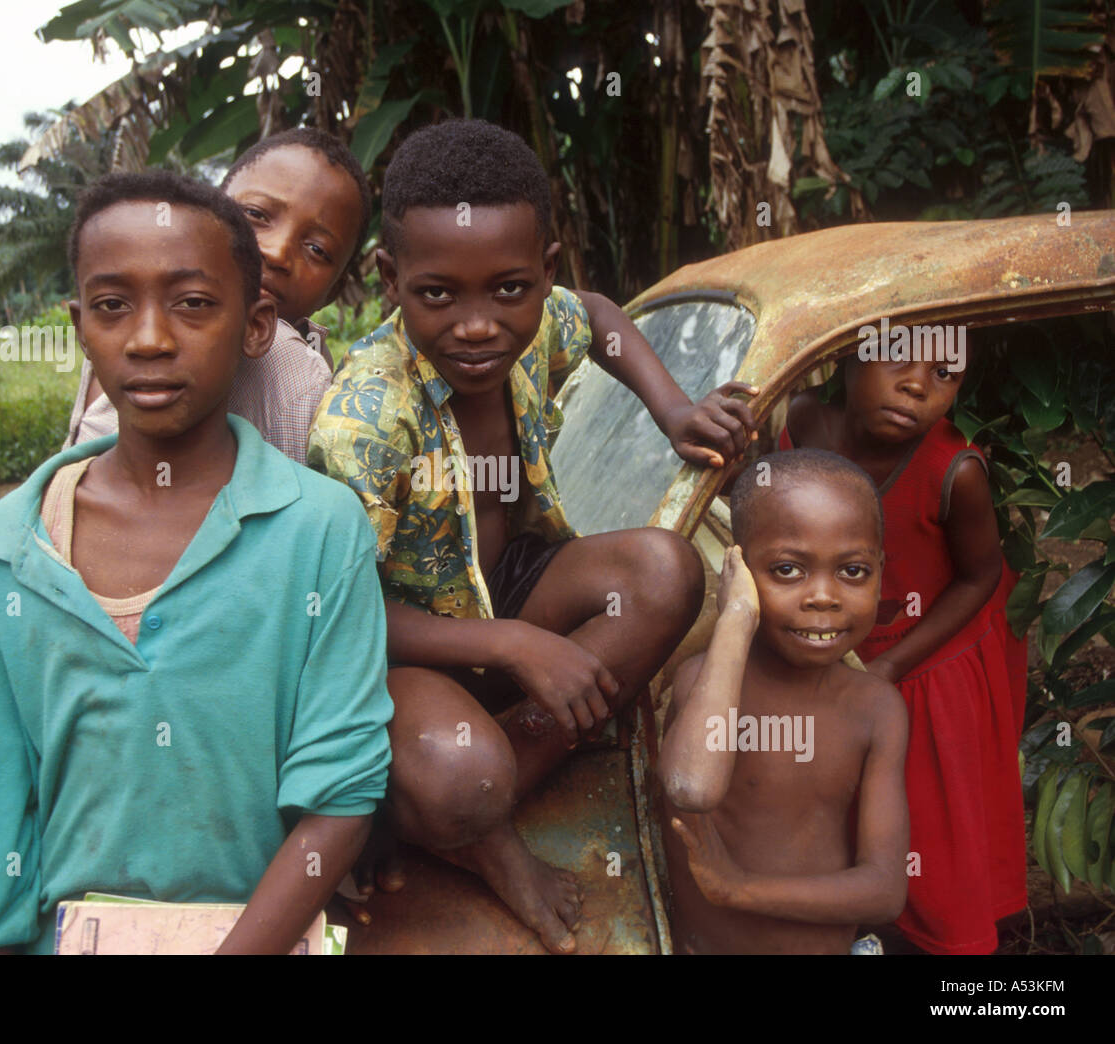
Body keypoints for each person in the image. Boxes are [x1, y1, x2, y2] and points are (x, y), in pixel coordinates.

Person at [0, 128, 372, 950]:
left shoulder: (317, 499)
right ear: (80, 323)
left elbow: (338, 788)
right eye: (114, 307)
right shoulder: (10, 542)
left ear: (255, 322)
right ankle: (48, 860)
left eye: (191, 303)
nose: (148, 337)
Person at [309, 118, 757, 954]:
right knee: (464, 773)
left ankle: (471, 794)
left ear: (542, 270)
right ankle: (479, 828)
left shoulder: (544, 316)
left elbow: (597, 317)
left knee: (662, 574)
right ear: (388, 278)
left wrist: (674, 412)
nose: (477, 325)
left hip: (512, 575)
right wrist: (513, 645)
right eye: (438, 294)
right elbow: (336, 618)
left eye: (508, 290)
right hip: (403, 643)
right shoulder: (366, 418)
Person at [778, 349, 1027, 954]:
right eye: (898, 360)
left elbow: (980, 577)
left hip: (926, 664)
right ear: (846, 354)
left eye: (946, 374)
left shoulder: (953, 470)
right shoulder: (804, 424)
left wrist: (889, 667)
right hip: (833, 651)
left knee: (933, 835)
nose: (918, 386)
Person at [660, 449, 909, 954]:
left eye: (854, 571)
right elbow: (691, 787)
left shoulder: (875, 709)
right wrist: (735, 618)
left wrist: (738, 888)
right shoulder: (706, 686)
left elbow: (885, 891)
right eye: (788, 570)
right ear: (740, 569)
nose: (823, 596)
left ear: (881, 568)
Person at [67, 127, 371, 463]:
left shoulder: (300, 365)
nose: (276, 253)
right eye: (255, 215)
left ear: (335, 291)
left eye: (317, 249)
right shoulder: (140, 320)